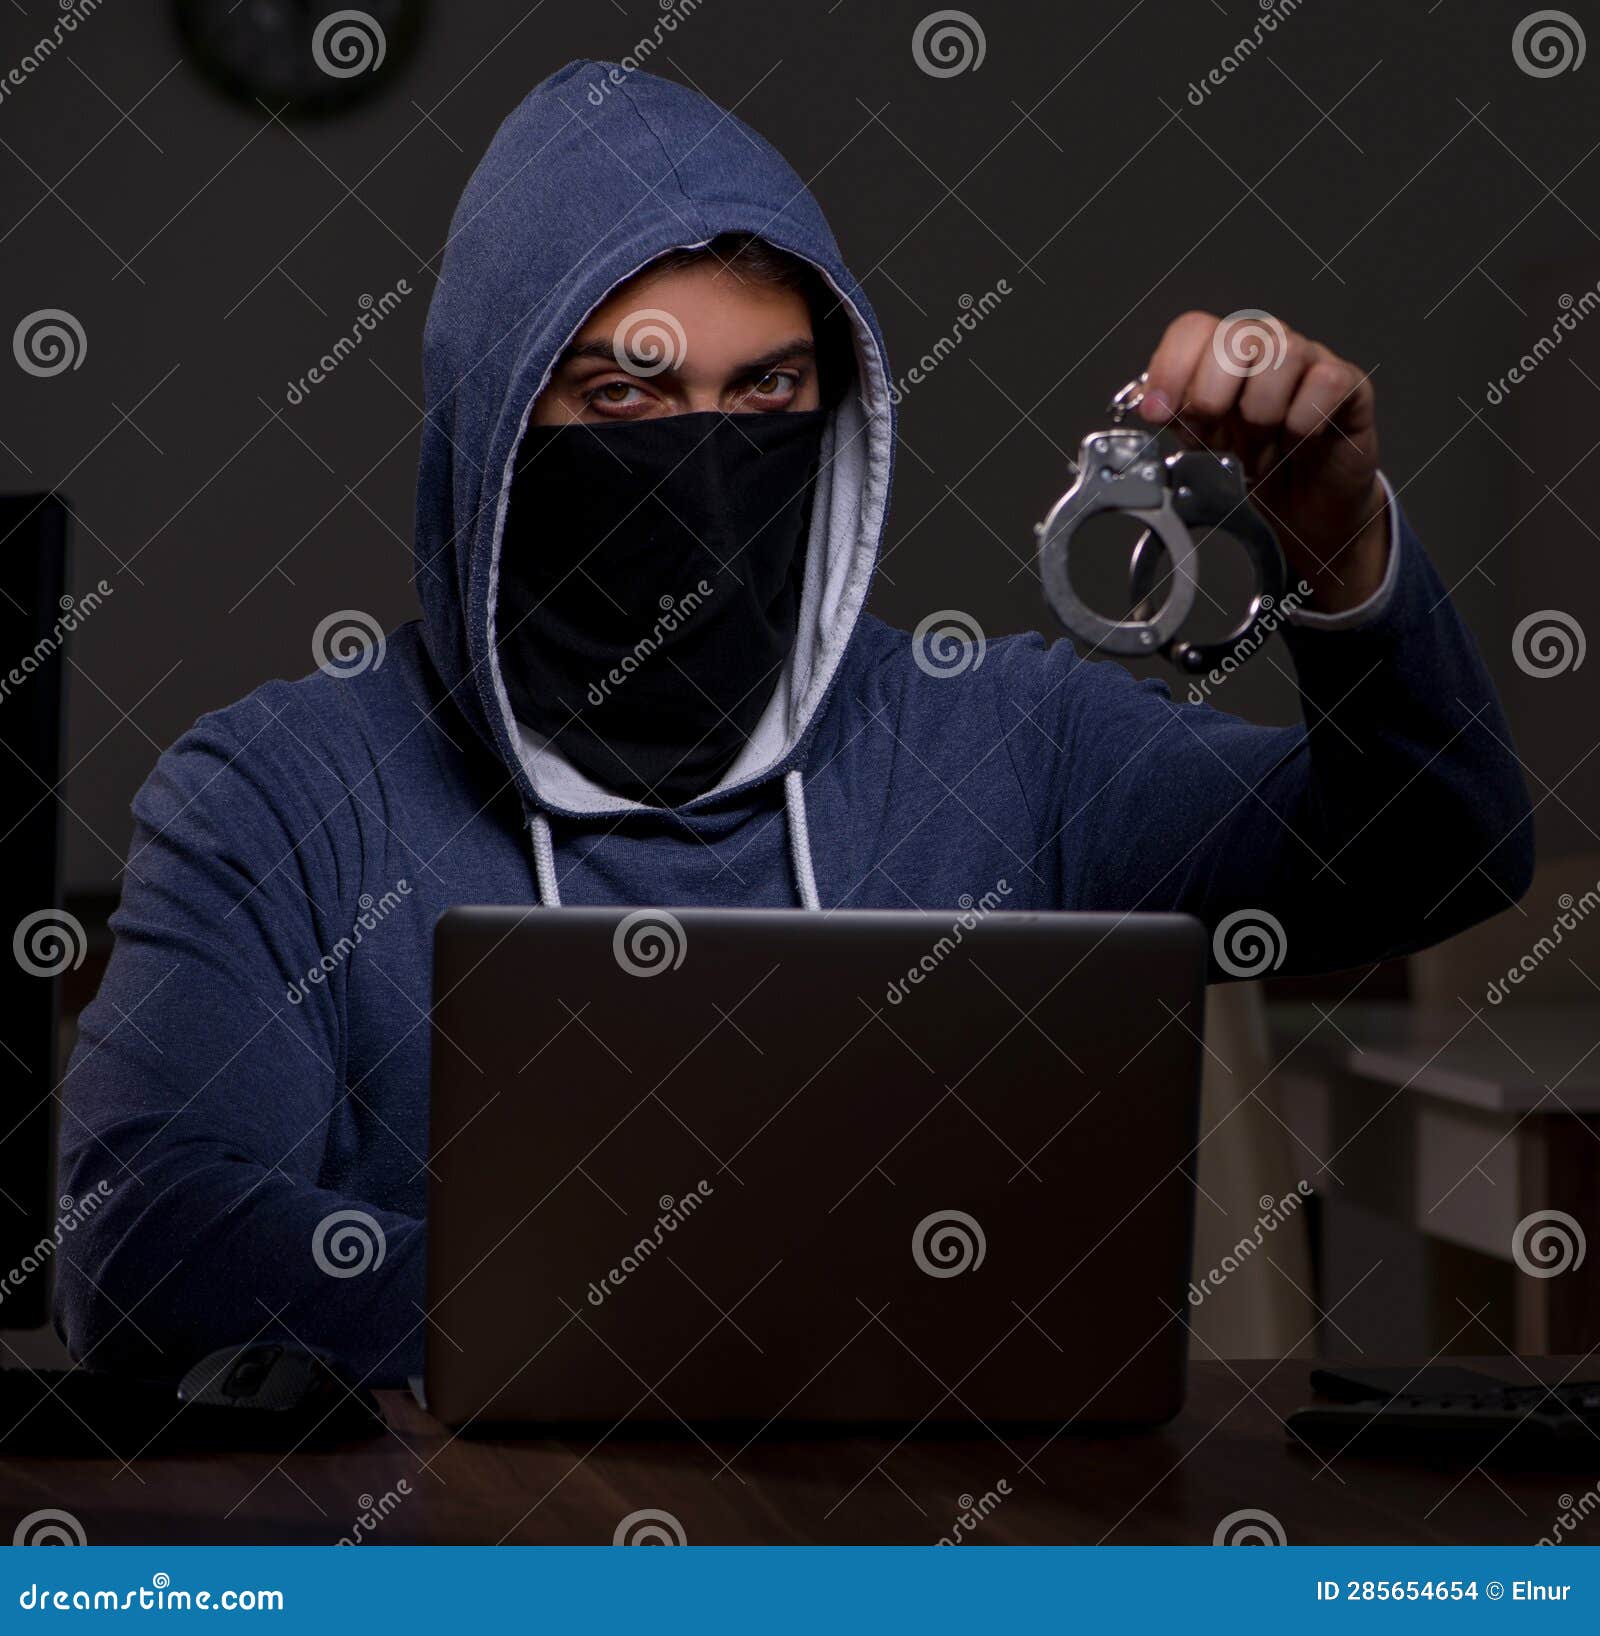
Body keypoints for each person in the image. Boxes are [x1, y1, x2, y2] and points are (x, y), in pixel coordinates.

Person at [56, 61, 1532, 1383]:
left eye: (766, 391)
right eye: (626, 401)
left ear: (835, 424)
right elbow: (145, 1241)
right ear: (494, 438)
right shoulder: (278, 798)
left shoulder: (1012, 741)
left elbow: (1434, 857)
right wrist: (686, 1304)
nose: (705, 458)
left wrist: (1340, 550)